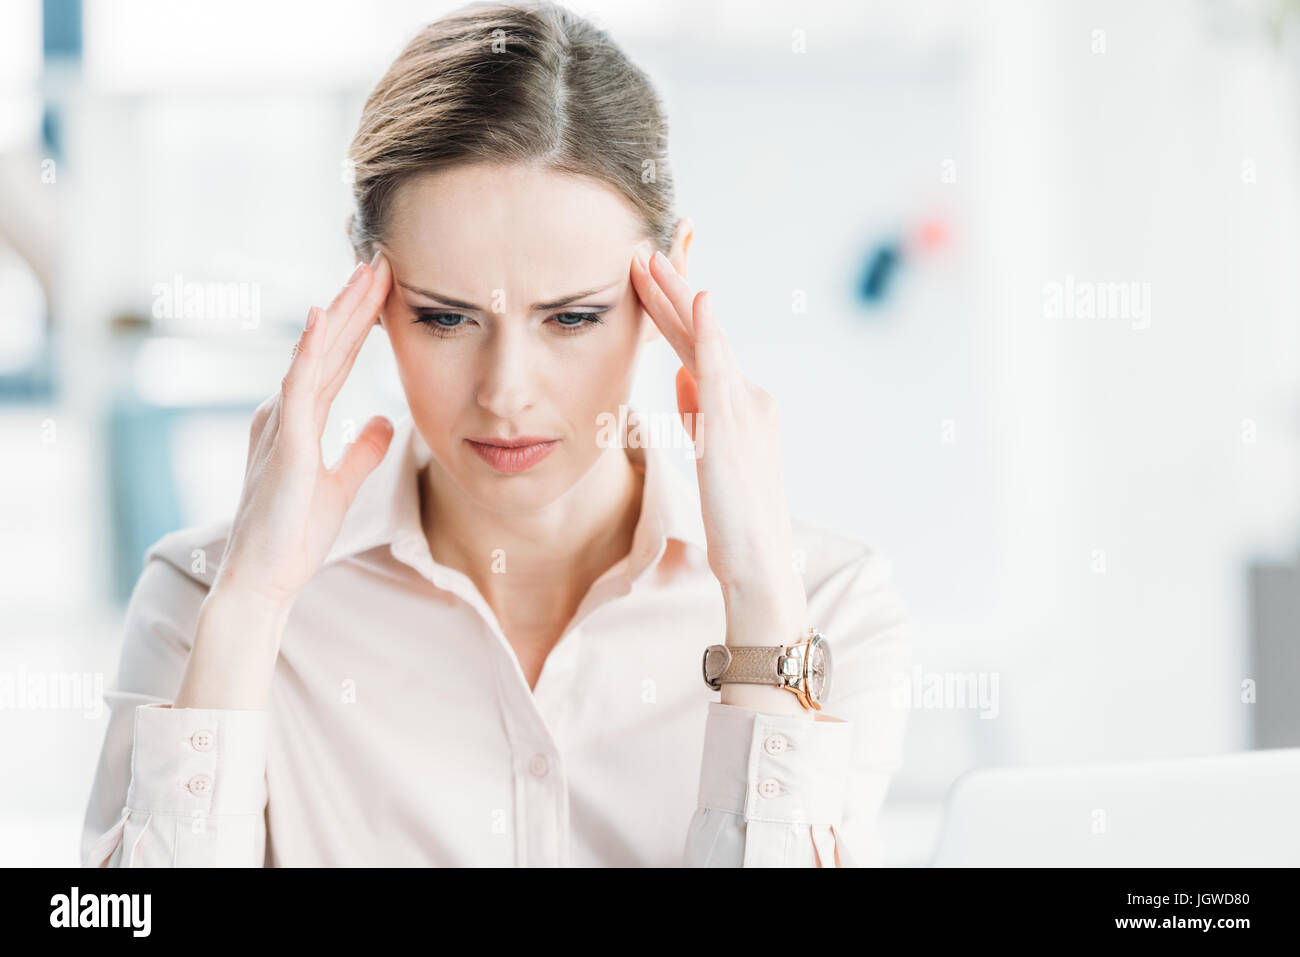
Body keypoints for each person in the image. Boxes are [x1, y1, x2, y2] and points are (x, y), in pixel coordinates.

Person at [81, 0, 912, 867]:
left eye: (573, 317)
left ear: (670, 286)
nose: (506, 393)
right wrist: (250, 609)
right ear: (367, 292)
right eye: (446, 318)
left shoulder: (827, 609)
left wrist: (759, 609)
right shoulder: (203, 597)